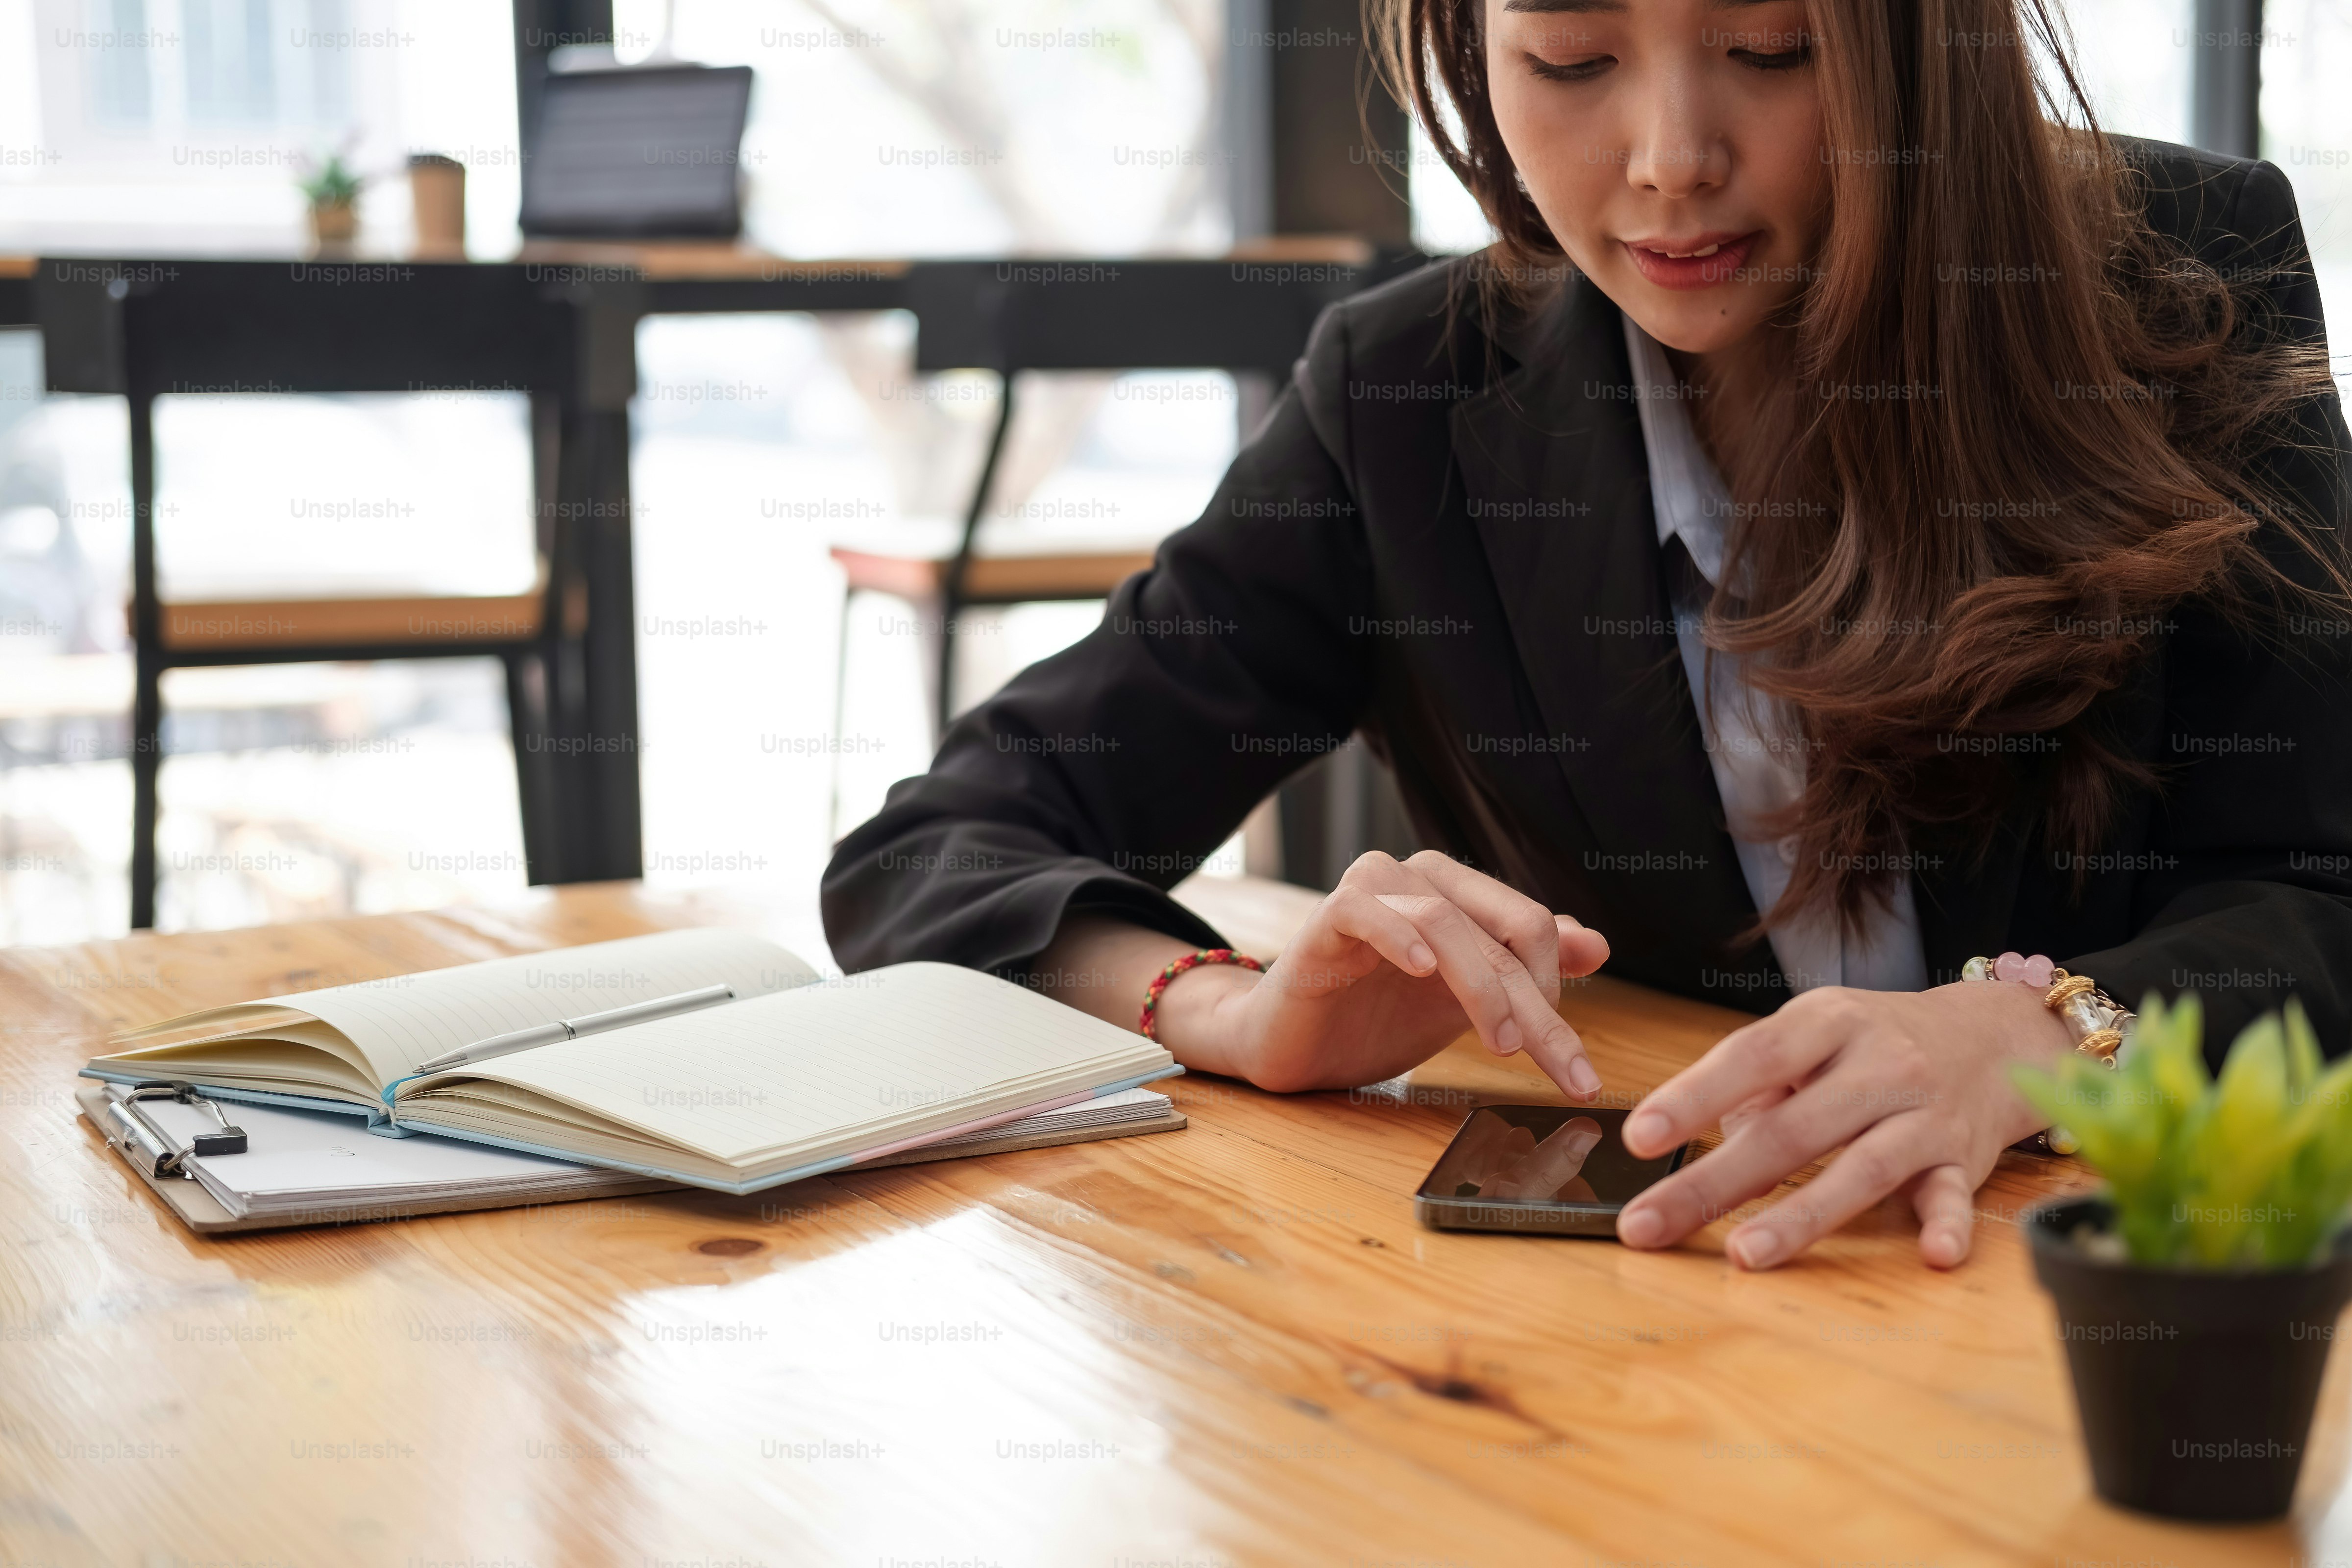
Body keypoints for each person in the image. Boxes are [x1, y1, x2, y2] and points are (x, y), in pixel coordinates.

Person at [824, 0, 2352, 1271]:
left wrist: (2040, 1037)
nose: (1673, 162)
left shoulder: (2187, 266)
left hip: (2129, 1317)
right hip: (1649, 1340)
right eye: (1569, 58)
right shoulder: (1408, 391)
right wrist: (1229, 1010)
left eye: (1771, 48)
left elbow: (2318, 897)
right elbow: (933, 852)